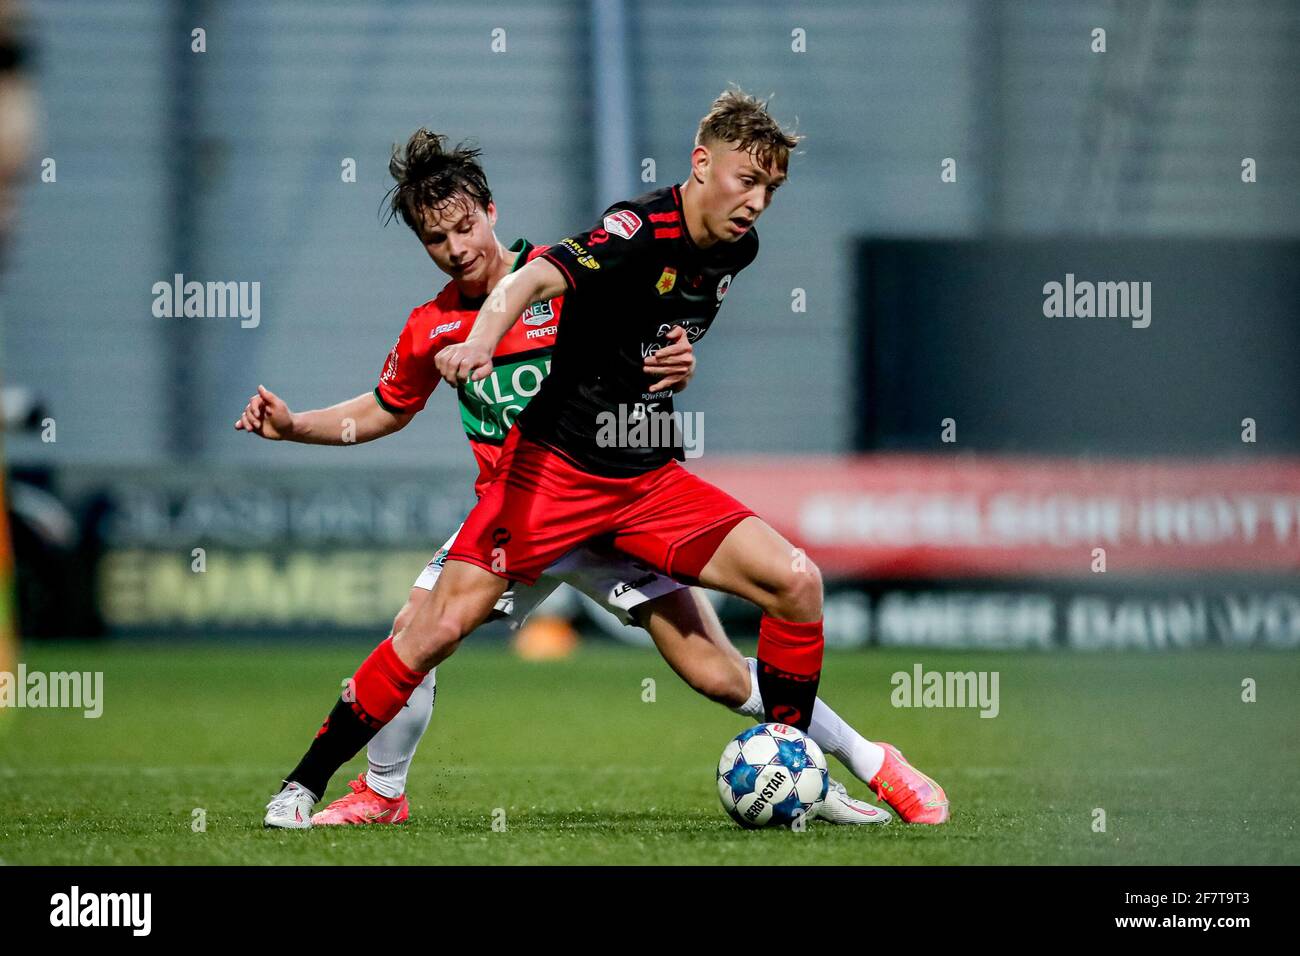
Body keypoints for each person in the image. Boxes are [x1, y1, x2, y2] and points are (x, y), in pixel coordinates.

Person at [243, 129, 896, 827]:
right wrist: (296, 425)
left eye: (465, 226)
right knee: (420, 628)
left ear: (491, 211)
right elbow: (384, 409)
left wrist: (678, 359)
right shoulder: (429, 327)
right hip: (526, 505)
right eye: (437, 240)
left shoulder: (574, 274)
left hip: (617, 490)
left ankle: (861, 760)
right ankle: (358, 790)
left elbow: (653, 329)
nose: (457, 247)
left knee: (718, 670)